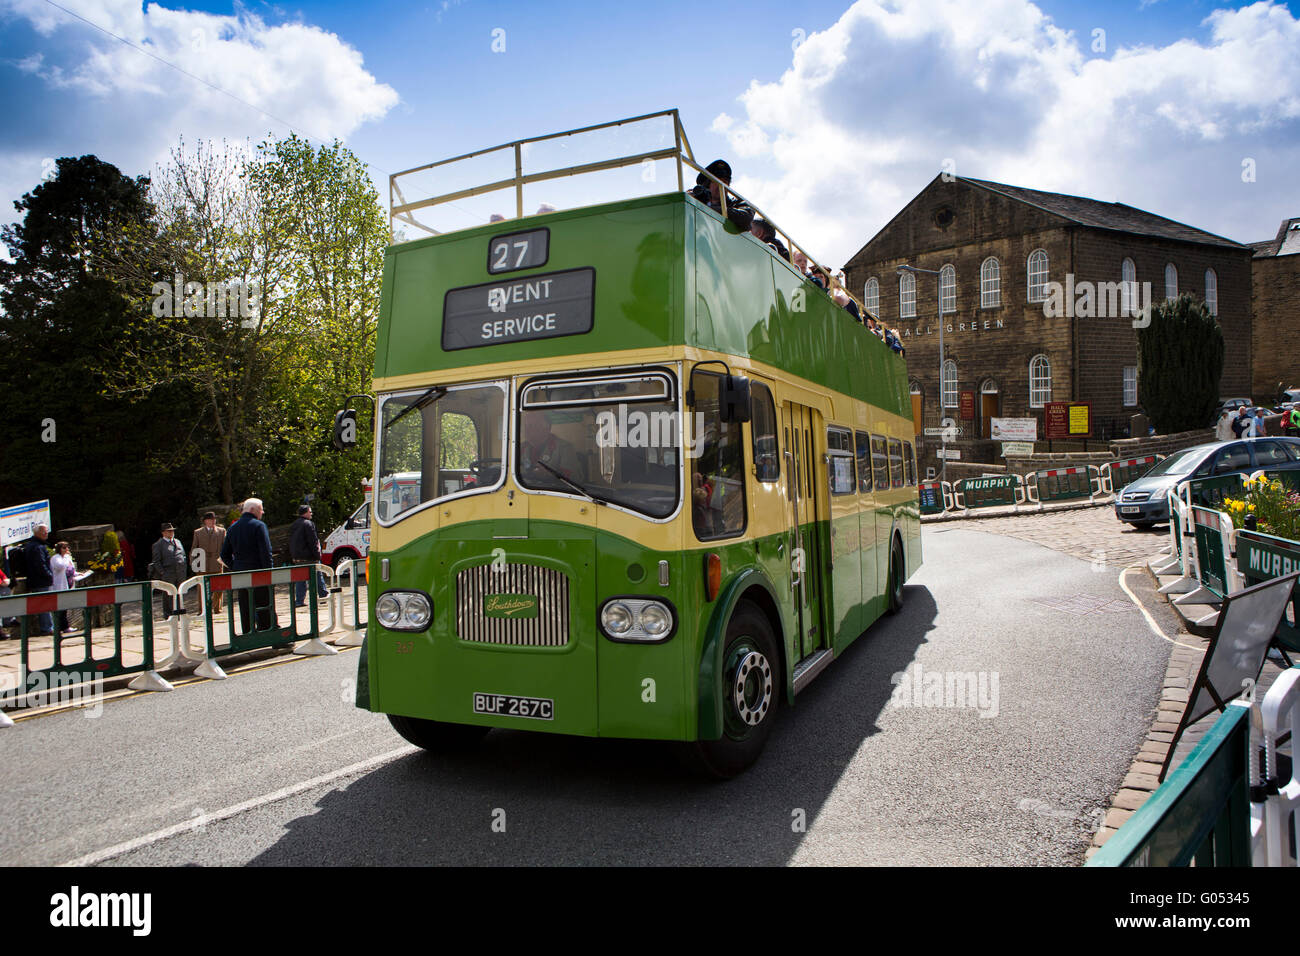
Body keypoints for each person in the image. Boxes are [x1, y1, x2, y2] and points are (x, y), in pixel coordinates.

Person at [221, 498, 275, 635]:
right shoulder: (259, 526)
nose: (262, 512)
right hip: (259, 573)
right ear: (252, 510)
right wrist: (269, 572)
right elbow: (265, 553)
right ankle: (268, 632)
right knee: (264, 604)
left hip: (241, 575)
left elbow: (224, 555)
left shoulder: (232, 528)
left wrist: (236, 567)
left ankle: (248, 633)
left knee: (245, 606)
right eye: (260, 509)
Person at [687, 159, 754, 232]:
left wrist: (708, 209)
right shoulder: (696, 201)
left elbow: (746, 217)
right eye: (716, 181)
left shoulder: (736, 203)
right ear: (708, 185)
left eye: (725, 182)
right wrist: (688, 201)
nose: (721, 186)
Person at [520, 411, 583, 484]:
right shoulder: (520, 448)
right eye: (526, 426)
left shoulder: (564, 448)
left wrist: (550, 474)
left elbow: (575, 478)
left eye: (532, 426)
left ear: (546, 428)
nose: (527, 431)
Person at [289, 504, 328, 608]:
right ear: (305, 513)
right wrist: (317, 555)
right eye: (310, 512)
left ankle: (299, 600)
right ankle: (324, 596)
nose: (311, 514)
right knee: (318, 576)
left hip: (297, 557)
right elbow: (313, 541)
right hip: (309, 557)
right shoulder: (308, 524)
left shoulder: (294, 525)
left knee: (300, 580)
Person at [21, 524, 55, 636]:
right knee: (44, 604)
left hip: (37, 580)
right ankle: (47, 628)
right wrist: (49, 575)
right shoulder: (37, 547)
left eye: (46, 531)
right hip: (40, 581)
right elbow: (40, 564)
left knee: (43, 604)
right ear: (37, 533)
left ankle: (47, 627)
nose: (46, 534)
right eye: (44, 532)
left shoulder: (35, 545)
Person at [192, 512, 227, 613]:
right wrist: (194, 563)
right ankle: (202, 609)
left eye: (214, 519)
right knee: (201, 588)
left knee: (219, 586)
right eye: (210, 519)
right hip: (202, 563)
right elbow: (194, 548)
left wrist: (225, 560)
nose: (213, 521)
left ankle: (216, 607)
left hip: (216, 562)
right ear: (205, 521)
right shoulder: (198, 532)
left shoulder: (221, 531)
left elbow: (225, 548)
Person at [151, 523, 188, 618]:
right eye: (169, 531)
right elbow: (156, 561)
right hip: (168, 573)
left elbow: (183, 555)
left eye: (172, 531)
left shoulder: (177, 541)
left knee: (179, 593)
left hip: (179, 572)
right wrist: (163, 573)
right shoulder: (158, 545)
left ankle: (179, 612)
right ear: (163, 533)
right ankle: (168, 614)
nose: (171, 532)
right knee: (168, 595)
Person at [49, 541, 78, 633]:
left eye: (67, 548)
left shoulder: (67, 558)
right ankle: (61, 627)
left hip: (68, 584)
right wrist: (67, 557)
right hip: (59, 585)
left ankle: (65, 626)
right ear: (59, 549)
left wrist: (77, 573)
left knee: (65, 607)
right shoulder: (55, 558)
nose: (66, 550)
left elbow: (71, 569)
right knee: (60, 608)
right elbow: (61, 567)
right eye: (64, 548)